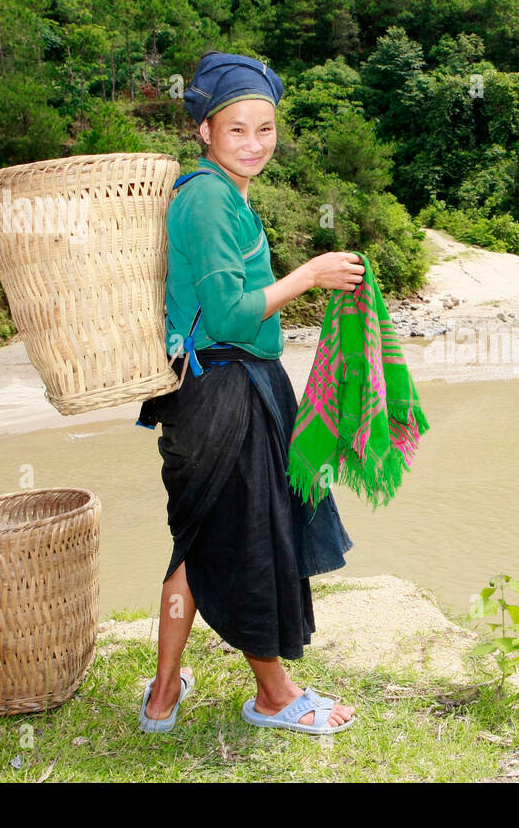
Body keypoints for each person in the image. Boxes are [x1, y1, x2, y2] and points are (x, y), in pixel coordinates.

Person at [138, 51, 363, 734]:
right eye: (237, 129)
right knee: (250, 543)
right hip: (226, 395)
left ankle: (162, 696)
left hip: (207, 390)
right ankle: (273, 697)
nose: (255, 143)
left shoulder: (219, 193)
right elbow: (235, 314)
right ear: (204, 130)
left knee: (197, 542)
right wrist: (311, 275)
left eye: (265, 129)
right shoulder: (206, 199)